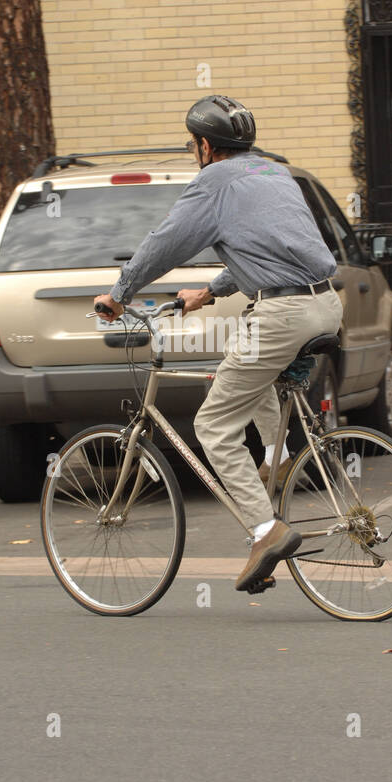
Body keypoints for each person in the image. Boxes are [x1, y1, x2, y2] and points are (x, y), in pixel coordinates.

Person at [94, 95, 343, 593]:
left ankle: (266, 530)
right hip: (326, 304)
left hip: (282, 316)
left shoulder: (212, 182)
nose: (194, 152)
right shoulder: (275, 175)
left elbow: (163, 244)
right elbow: (274, 249)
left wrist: (120, 294)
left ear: (206, 146)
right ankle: (277, 459)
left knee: (212, 423)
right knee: (247, 365)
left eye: (193, 144)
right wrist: (211, 290)